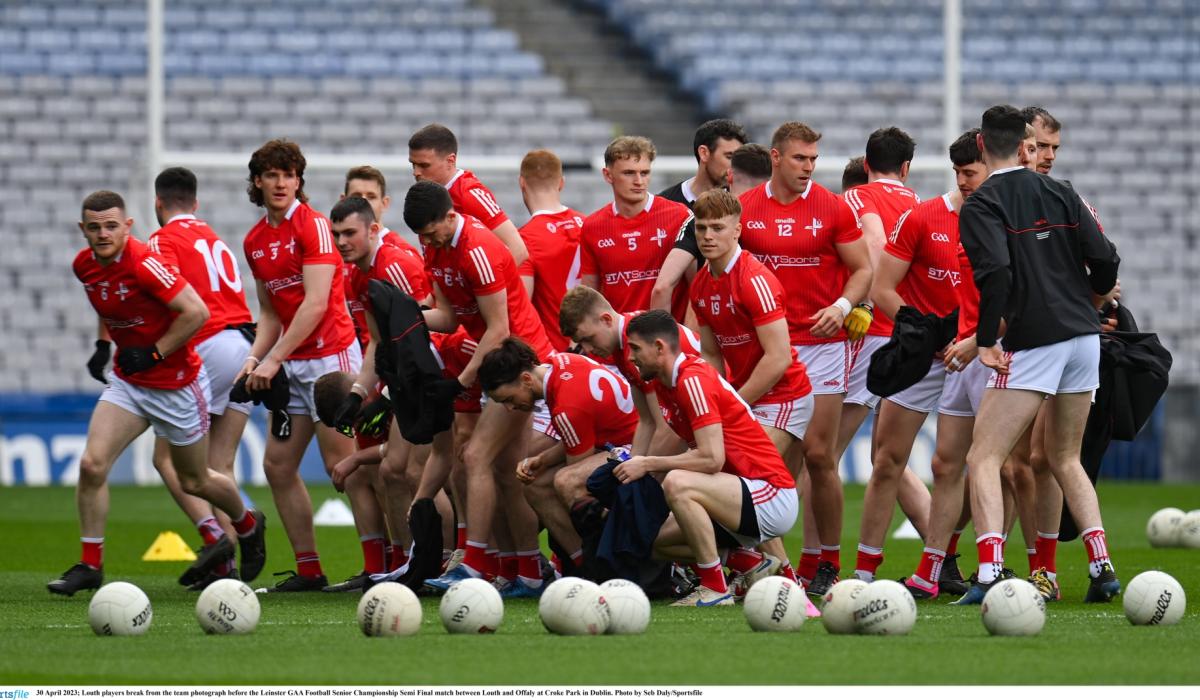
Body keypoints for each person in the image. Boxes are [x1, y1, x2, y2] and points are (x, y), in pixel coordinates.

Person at [49, 190, 265, 596]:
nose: (102, 234)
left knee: (196, 479)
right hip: (130, 385)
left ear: (127, 226)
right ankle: (90, 565)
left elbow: (196, 311)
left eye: (111, 226)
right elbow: (108, 298)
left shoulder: (146, 262)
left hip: (177, 385)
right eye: (94, 227)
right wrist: (103, 345)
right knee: (92, 465)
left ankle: (248, 523)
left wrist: (152, 352)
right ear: (83, 230)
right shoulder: (85, 267)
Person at [955, 105, 1120, 605]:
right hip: (1084, 337)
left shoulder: (982, 204)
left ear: (982, 146)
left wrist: (986, 340)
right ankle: (1101, 566)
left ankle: (989, 570)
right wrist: (1089, 300)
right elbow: (1108, 259)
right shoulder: (1062, 191)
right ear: (1024, 145)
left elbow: (996, 275)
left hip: (1036, 339)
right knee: (1064, 457)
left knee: (983, 455)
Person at [405, 181, 558, 597]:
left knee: (474, 456)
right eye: (421, 235)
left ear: (451, 216)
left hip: (518, 365)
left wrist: (462, 380)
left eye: (432, 231)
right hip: (495, 364)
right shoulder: (436, 247)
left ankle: (474, 563)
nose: (427, 241)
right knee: (507, 477)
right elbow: (452, 318)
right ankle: (522, 570)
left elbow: (498, 329)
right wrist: (410, 316)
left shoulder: (478, 249)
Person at [738, 121, 872, 595]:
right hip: (767, 351)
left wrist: (842, 307)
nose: (808, 167)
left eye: (814, 160)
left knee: (819, 456)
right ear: (775, 158)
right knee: (768, 463)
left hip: (822, 348)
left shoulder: (832, 208)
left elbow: (862, 269)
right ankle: (763, 561)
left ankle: (828, 562)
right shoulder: (744, 209)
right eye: (799, 158)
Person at [240, 139, 362, 592]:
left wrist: (272, 359)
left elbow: (314, 306)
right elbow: (271, 313)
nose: (280, 183)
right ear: (258, 181)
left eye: (288, 175)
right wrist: (254, 357)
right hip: (291, 364)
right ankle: (310, 570)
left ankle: (388, 562)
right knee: (277, 465)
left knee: (345, 468)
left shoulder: (312, 226)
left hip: (330, 358)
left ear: (298, 181)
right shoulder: (255, 241)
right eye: (272, 174)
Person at [618, 310, 798, 607]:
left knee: (678, 483)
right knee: (648, 539)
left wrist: (648, 463)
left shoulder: (692, 380)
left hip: (769, 493)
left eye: (636, 348)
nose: (631, 356)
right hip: (736, 492)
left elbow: (712, 459)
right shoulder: (666, 384)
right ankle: (750, 562)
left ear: (660, 348)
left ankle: (715, 588)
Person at [851, 136, 966, 587]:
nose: (970, 180)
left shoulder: (997, 219)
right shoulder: (922, 212)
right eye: (964, 172)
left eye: (978, 172)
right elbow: (882, 276)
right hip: (917, 351)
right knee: (886, 460)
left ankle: (950, 564)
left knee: (987, 467)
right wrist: (919, 330)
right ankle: (862, 571)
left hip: (972, 353)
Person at [688, 189, 814, 589]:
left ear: (738, 230)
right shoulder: (702, 284)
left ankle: (780, 579)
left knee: (747, 483)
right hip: (748, 397)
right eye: (701, 227)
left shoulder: (754, 279)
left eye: (717, 228)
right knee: (741, 485)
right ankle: (765, 571)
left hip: (784, 397)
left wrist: (734, 402)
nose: (708, 236)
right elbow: (709, 352)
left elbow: (778, 358)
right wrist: (712, 397)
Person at [146, 167, 258, 588]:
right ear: (195, 203)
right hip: (244, 348)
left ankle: (216, 542)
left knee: (167, 458)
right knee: (219, 464)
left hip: (206, 348)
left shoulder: (162, 240)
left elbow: (168, 300)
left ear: (159, 204)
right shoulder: (215, 239)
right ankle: (227, 570)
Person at [327, 195, 433, 591]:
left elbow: (427, 325)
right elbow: (378, 342)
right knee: (394, 471)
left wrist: (390, 396)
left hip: (433, 376)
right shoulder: (356, 275)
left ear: (373, 229)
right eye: (336, 234)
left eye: (349, 232)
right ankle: (409, 562)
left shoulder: (396, 265)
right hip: (407, 380)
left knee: (421, 473)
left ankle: (437, 560)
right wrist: (358, 393)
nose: (341, 241)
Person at [837, 127, 932, 555]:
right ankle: (940, 552)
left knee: (822, 452)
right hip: (912, 336)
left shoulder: (859, 196)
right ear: (907, 168)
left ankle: (773, 554)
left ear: (867, 163)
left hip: (873, 334)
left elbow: (874, 243)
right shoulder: (920, 204)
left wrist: (870, 303)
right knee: (887, 456)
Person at [479, 340, 638, 579]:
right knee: (537, 484)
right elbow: (581, 437)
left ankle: (602, 566)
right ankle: (583, 563)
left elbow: (578, 470)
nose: (511, 409)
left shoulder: (566, 403)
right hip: (619, 443)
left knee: (566, 482)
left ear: (525, 379)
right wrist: (541, 459)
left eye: (509, 399)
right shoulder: (560, 363)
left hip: (631, 448)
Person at [580, 136, 694, 321]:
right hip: (617, 340)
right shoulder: (593, 226)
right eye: (629, 173)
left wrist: (688, 337)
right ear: (608, 175)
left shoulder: (680, 216)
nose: (639, 181)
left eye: (645, 172)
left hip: (666, 341)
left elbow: (697, 287)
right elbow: (589, 293)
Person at [652, 119, 749, 310]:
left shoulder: (742, 205)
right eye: (729, 156)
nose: (735, 166)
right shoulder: (664, 205)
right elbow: (661, 282)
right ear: (704, 153)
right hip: (686, 324)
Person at [408, 123, 529, 265]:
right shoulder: (425, 196)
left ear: (450, 161)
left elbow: (518, 249)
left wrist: (493, 286)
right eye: (413, 164)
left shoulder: (469, 195)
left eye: (424, 165)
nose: (416, 172)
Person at [516, 149, 585, 352]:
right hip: (598, 353)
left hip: (555, 356)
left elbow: (520, 309)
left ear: (522, 182)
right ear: (561, 182)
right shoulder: (590, 225)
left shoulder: (524, 240)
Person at [1019, 106, 1060, 175]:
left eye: (1054, 148)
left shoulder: (1058, 186)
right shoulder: (996, 184)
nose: (1051, 156)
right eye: (1041, 146)